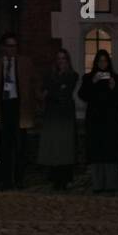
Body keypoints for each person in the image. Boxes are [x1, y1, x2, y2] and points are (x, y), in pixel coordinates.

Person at [0, 31, 36, 189]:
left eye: (14, 46)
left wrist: (39, 99)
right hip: (3, 107)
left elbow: (34, 83)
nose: (12, 49)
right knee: (4, 145)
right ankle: (6, 180)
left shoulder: (26, 63)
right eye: (9, 46)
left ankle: (19, 179)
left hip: (20, 106)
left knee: (21, 146)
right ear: (3, 47)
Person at [78, 49, 118, 193]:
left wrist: (114, 88)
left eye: (105, 60)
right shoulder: (88, 78)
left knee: (110, 154)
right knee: (96, 154)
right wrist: (92, 83)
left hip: (111, 123)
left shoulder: (116, 78)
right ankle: (98, 184)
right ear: (96, 62)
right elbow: (82, 95)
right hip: (95, 122)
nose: (102, 63)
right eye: (100, 60)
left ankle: (112, 184)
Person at [38, 48, 79, 190]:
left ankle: (65, 178)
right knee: (54, 146)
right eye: (59, 59)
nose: (61, 61)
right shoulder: (50, 75)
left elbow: (64, 92)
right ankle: (55, 178)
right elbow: (43, 93)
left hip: (65, 114)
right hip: (52, 114)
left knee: (65, 146)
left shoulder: (72, 75)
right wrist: (53, 91)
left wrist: (51, 91)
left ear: (67, 61)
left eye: (63, 59)